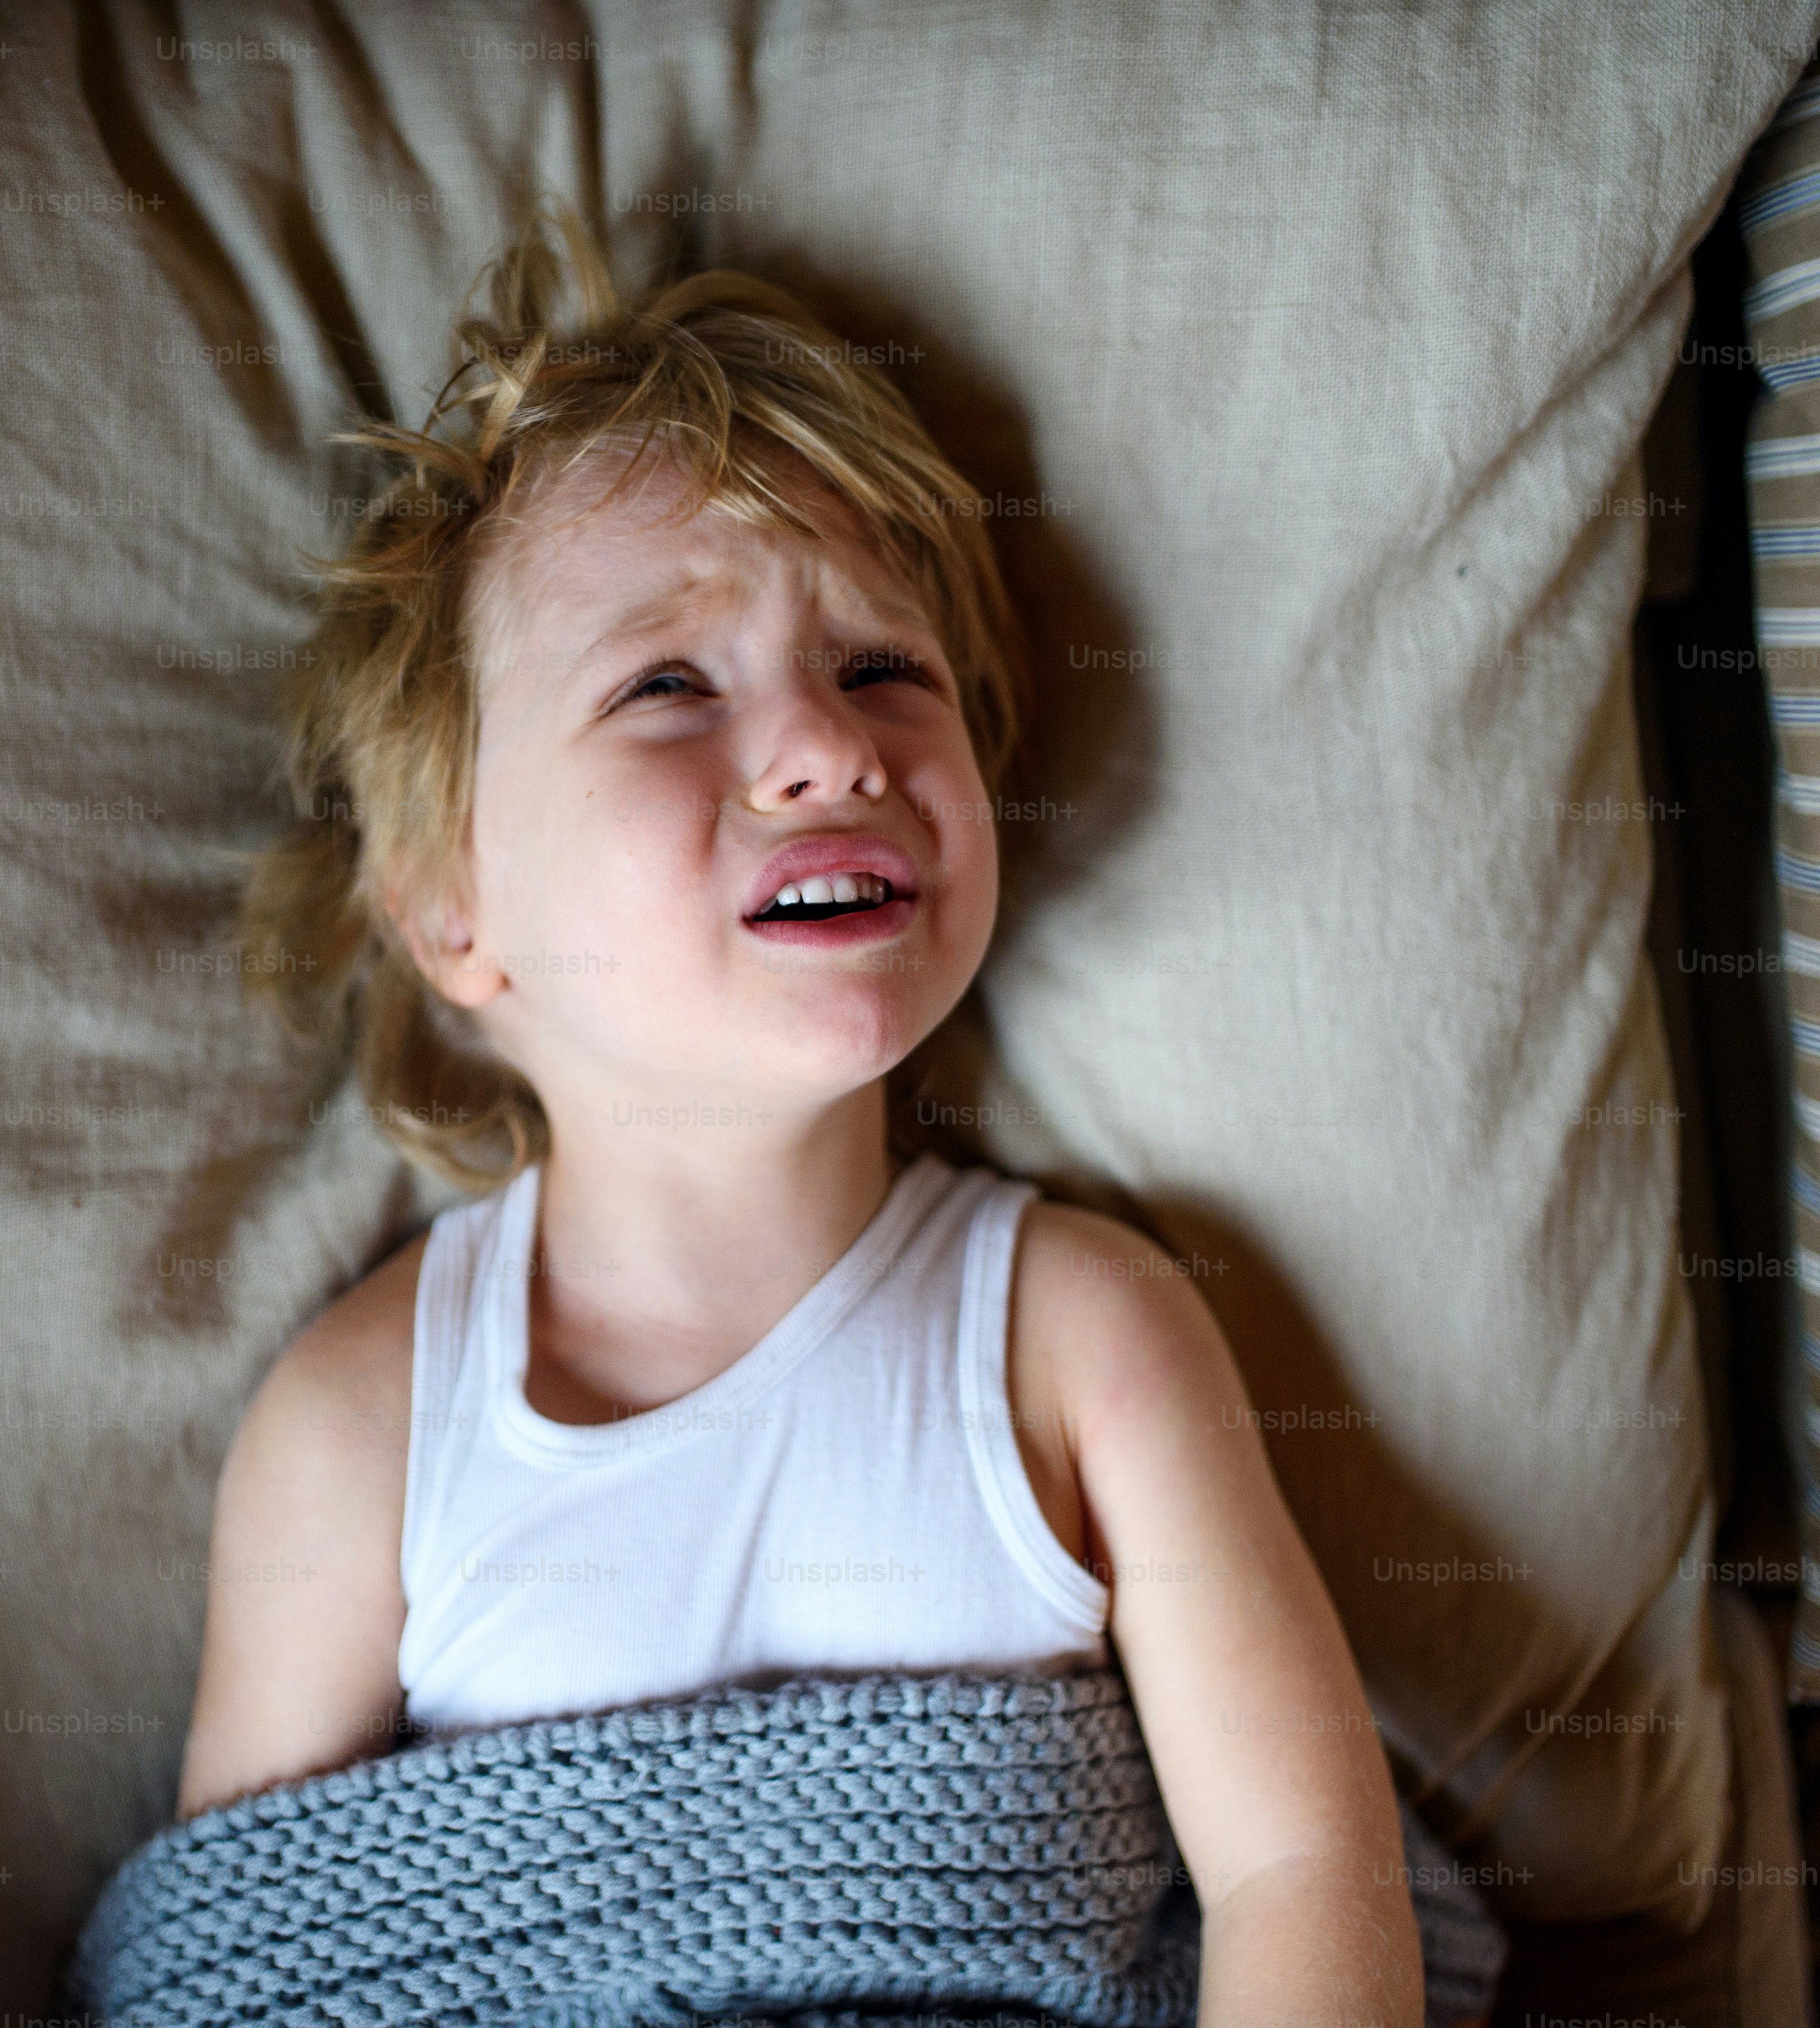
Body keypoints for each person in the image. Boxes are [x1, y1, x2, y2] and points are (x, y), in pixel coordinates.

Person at [176, 201, 1427, 2024]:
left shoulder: (1086, 1337)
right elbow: (261, 1964)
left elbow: (1303, 1868)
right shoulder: (368, 1426)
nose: (830, 747)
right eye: (668, 685)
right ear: (455, 902)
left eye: (883, 668)